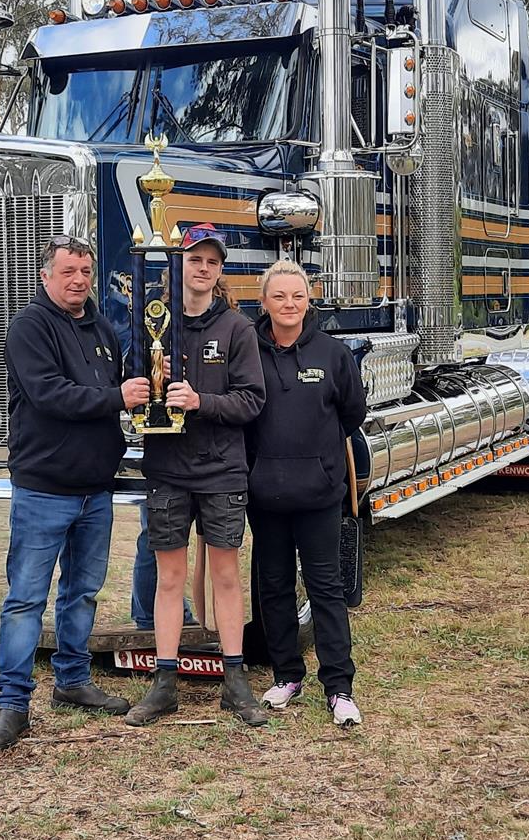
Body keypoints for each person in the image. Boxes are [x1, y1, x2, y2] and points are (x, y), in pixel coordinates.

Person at [0, 236, 150, 752]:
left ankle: (73, 680)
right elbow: (51, 395)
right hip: (45, 488)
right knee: (26, 599)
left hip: (94, 490)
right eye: (67, 271)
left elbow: (124, 384)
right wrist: (116, 397)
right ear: (45, 276)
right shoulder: (29, 329)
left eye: (84, 270)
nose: (78, 279)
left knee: (82, 592)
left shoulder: (101, 327)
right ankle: (13, 704)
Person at [124, 224, 269, 727]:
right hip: (166, 469)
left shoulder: (237, 329)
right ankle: (164, 683)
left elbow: (252, 400)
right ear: (176, 265)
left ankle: (235, 681)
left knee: (226, 575)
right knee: (168, 578)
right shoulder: (152, 324)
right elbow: (132, 376)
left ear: (220, 270)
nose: (202, 268)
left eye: (212, 261)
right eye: (193, 258)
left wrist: (200, 402)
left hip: (222, 471)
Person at [247, 260, 368, 727]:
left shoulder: (332, 353)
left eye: (297, 295)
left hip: (319, 494)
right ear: (264, 302)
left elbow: (351, 413)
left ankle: (339, 687)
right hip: (266, 497)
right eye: (279, 296)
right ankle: (287, 675)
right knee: (274, 588)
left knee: (326, 589)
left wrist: (317, 458)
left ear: (308, 299)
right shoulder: (249, 351)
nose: (289, 304)